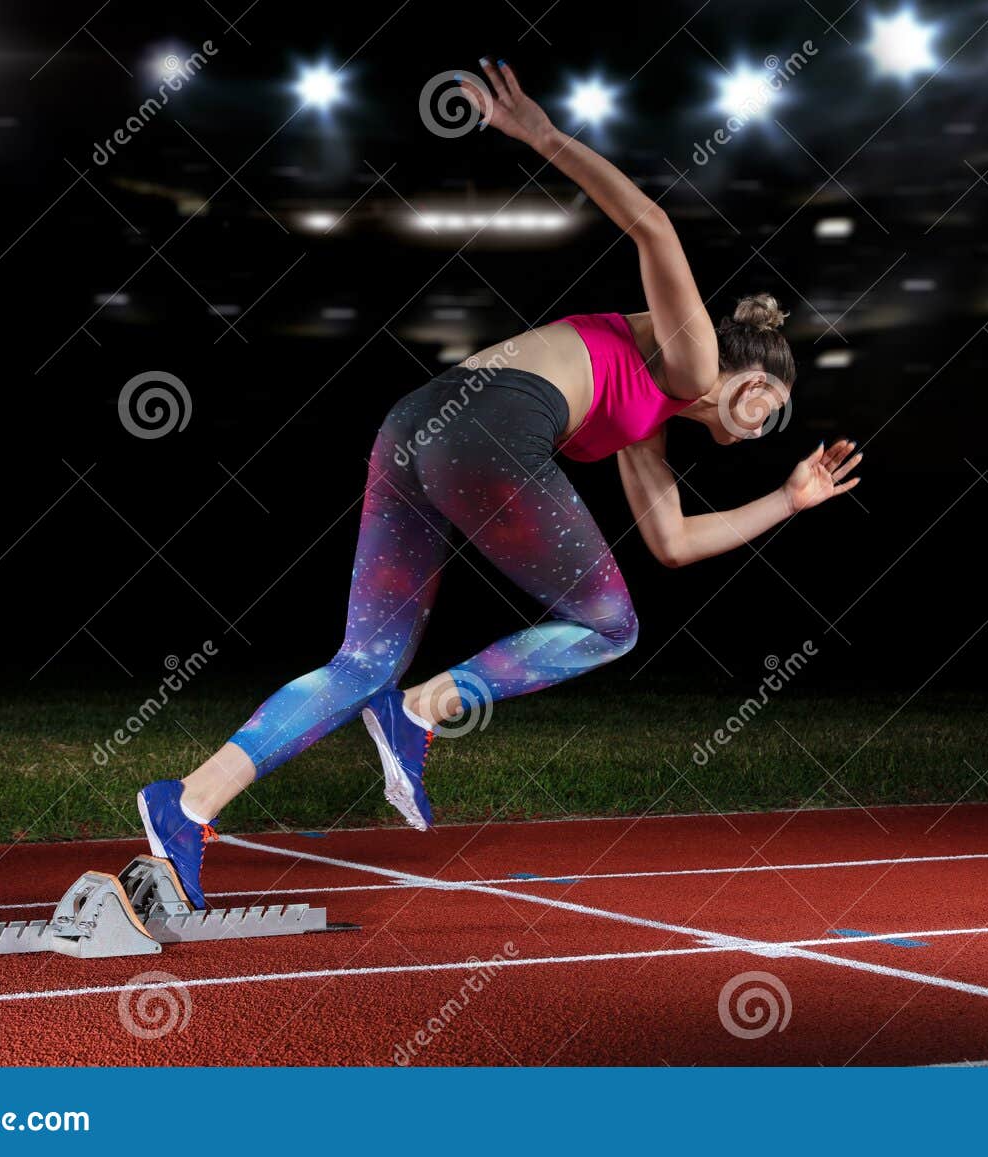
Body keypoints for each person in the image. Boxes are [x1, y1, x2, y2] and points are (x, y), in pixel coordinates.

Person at [136, 58, 862, 907]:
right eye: (765, 400)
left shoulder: (646, 422)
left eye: (776, 414)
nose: (763, 420)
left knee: (365, 657)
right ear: (739, 372)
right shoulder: (694, 357)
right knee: (608, 624)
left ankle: (185, 803)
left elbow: (672, 543)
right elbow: (655, 230)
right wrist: (545, 136)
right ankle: (424, 707)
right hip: (486, 428)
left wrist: (788, 499)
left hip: (415, 428)